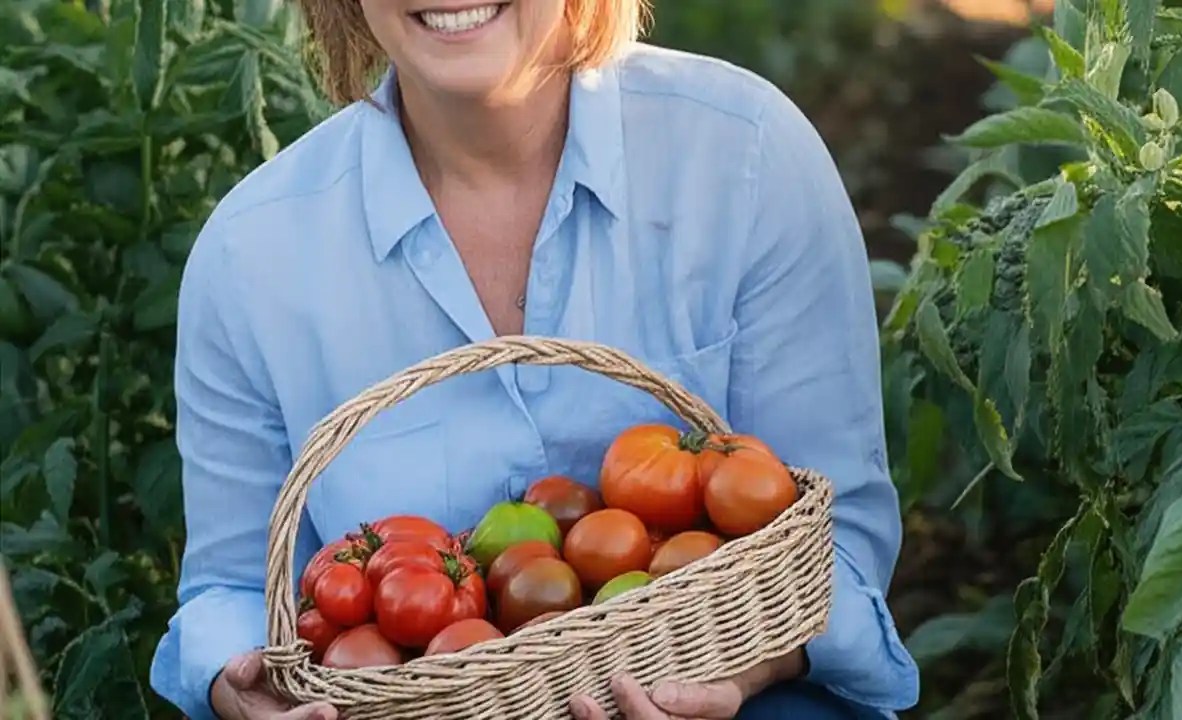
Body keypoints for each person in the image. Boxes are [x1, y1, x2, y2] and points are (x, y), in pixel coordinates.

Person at [149, 0, 921, 718]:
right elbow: (233, 587)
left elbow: (837, 533)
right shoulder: (252, 252)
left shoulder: (744, 156)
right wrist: (235, 681)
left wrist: (743, 670)